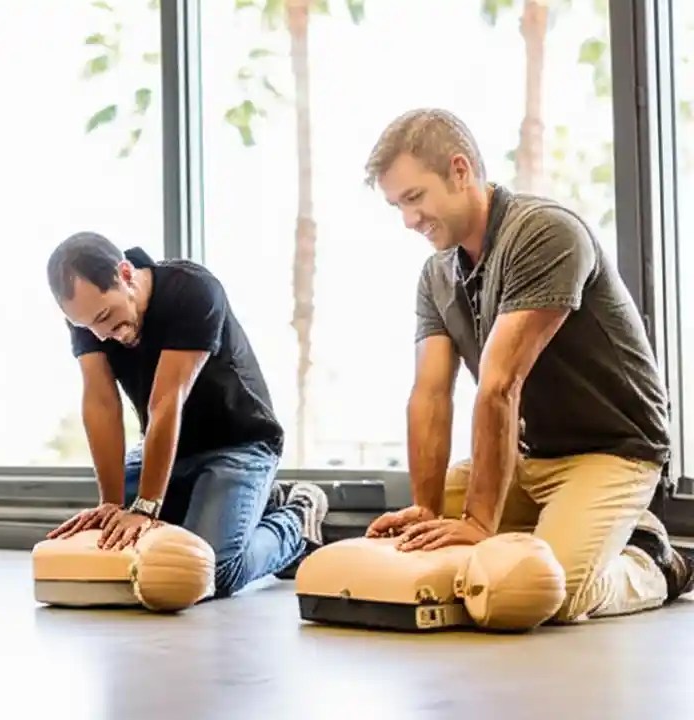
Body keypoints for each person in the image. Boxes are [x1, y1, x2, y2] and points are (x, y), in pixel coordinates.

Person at [362, 107, 694, 622]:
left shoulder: (544, 234)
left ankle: (653, 557)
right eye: (397, 206)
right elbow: (429, 395)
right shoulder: (436, 275)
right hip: (526, 456)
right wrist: (428, 508)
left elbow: (500, 384)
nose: (408, 220)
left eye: (414, 198)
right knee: (414, 540)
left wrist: (476, 520)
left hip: (611, 452)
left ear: (459, 170)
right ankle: (552, 529)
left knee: (548, 594)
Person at [44, 232, 329, 598]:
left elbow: (166, 402)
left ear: (126, 275)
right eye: (87, 328)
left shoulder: (193, 290)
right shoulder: (89, 319)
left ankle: (296, 515)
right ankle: (258, 502)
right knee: (108, 538)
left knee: (209, 571)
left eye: (105, 317)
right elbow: (101, 404)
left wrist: (146, 507)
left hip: (240, 445)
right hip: (168, 451)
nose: (101, 335)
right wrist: (112, 504)